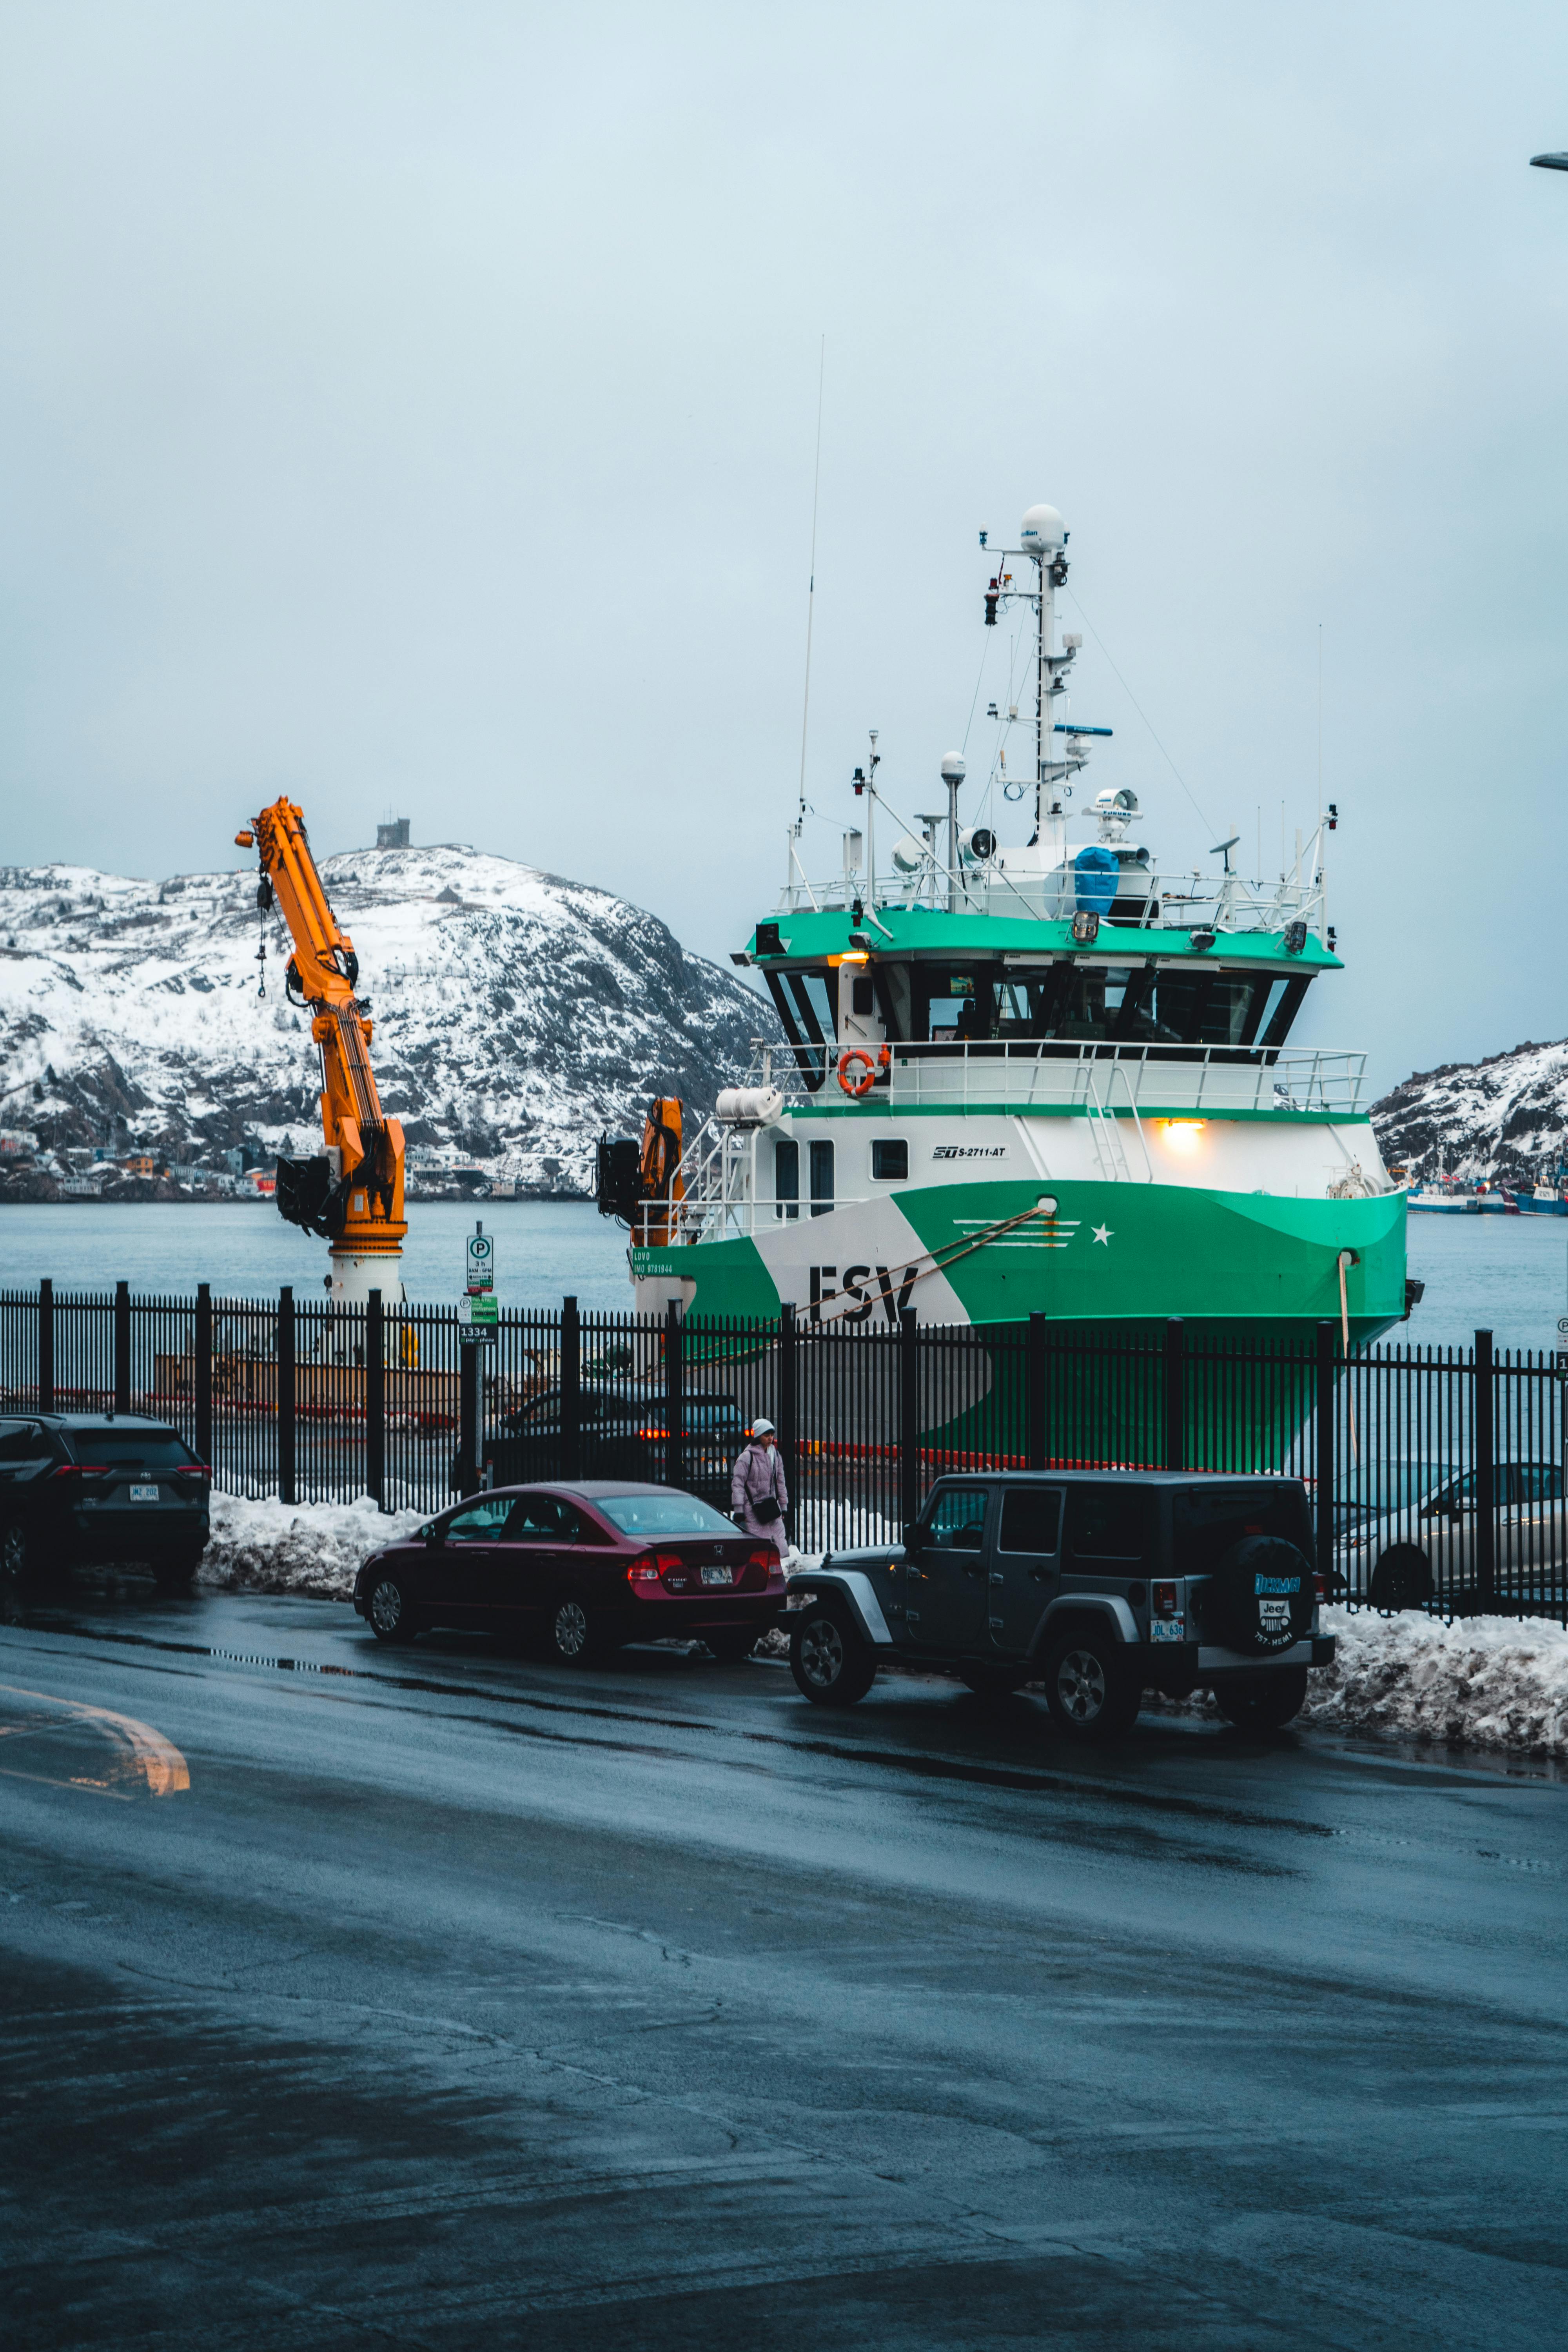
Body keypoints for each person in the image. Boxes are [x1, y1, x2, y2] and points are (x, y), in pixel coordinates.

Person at [731, 1417, 790, 1559]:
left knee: (781, 1542)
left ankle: (781, 1570)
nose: (770, 1438)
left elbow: (780, 1481)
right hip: (753, 1509)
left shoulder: (774, 1455)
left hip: (771, 1506)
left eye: (772, 1435)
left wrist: (783, 1505)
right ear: (758, 1436)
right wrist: (739, 1510)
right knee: (761, 1546)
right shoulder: (747, 1457)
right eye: (766, 1435)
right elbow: (738, 1484)